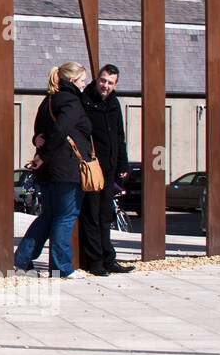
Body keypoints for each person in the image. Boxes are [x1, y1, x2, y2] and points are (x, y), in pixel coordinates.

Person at [14, 62, 93, 279]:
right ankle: (61, 268)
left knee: (48, 216)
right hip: (66, 169)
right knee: (65, 216)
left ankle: (21, 260)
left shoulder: (48, 100)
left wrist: (40, 149)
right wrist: (44, 154)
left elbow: (39, 133)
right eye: (83, 81)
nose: (85, 85)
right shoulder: (71, 101)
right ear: (73, 81)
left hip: (48, 170)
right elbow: (60, 130)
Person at [78, 64, 135, 276]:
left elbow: (119, 136)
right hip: (93, 166)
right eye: (103, 81)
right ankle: (95, 262)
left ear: (115, 84)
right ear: (97, 79)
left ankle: (108, 258)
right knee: (91, 214)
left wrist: (123, 163)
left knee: (105, 215)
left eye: (110, 83)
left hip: (110, 168)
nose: (106, 85)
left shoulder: (114, 103)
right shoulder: (85, 101)